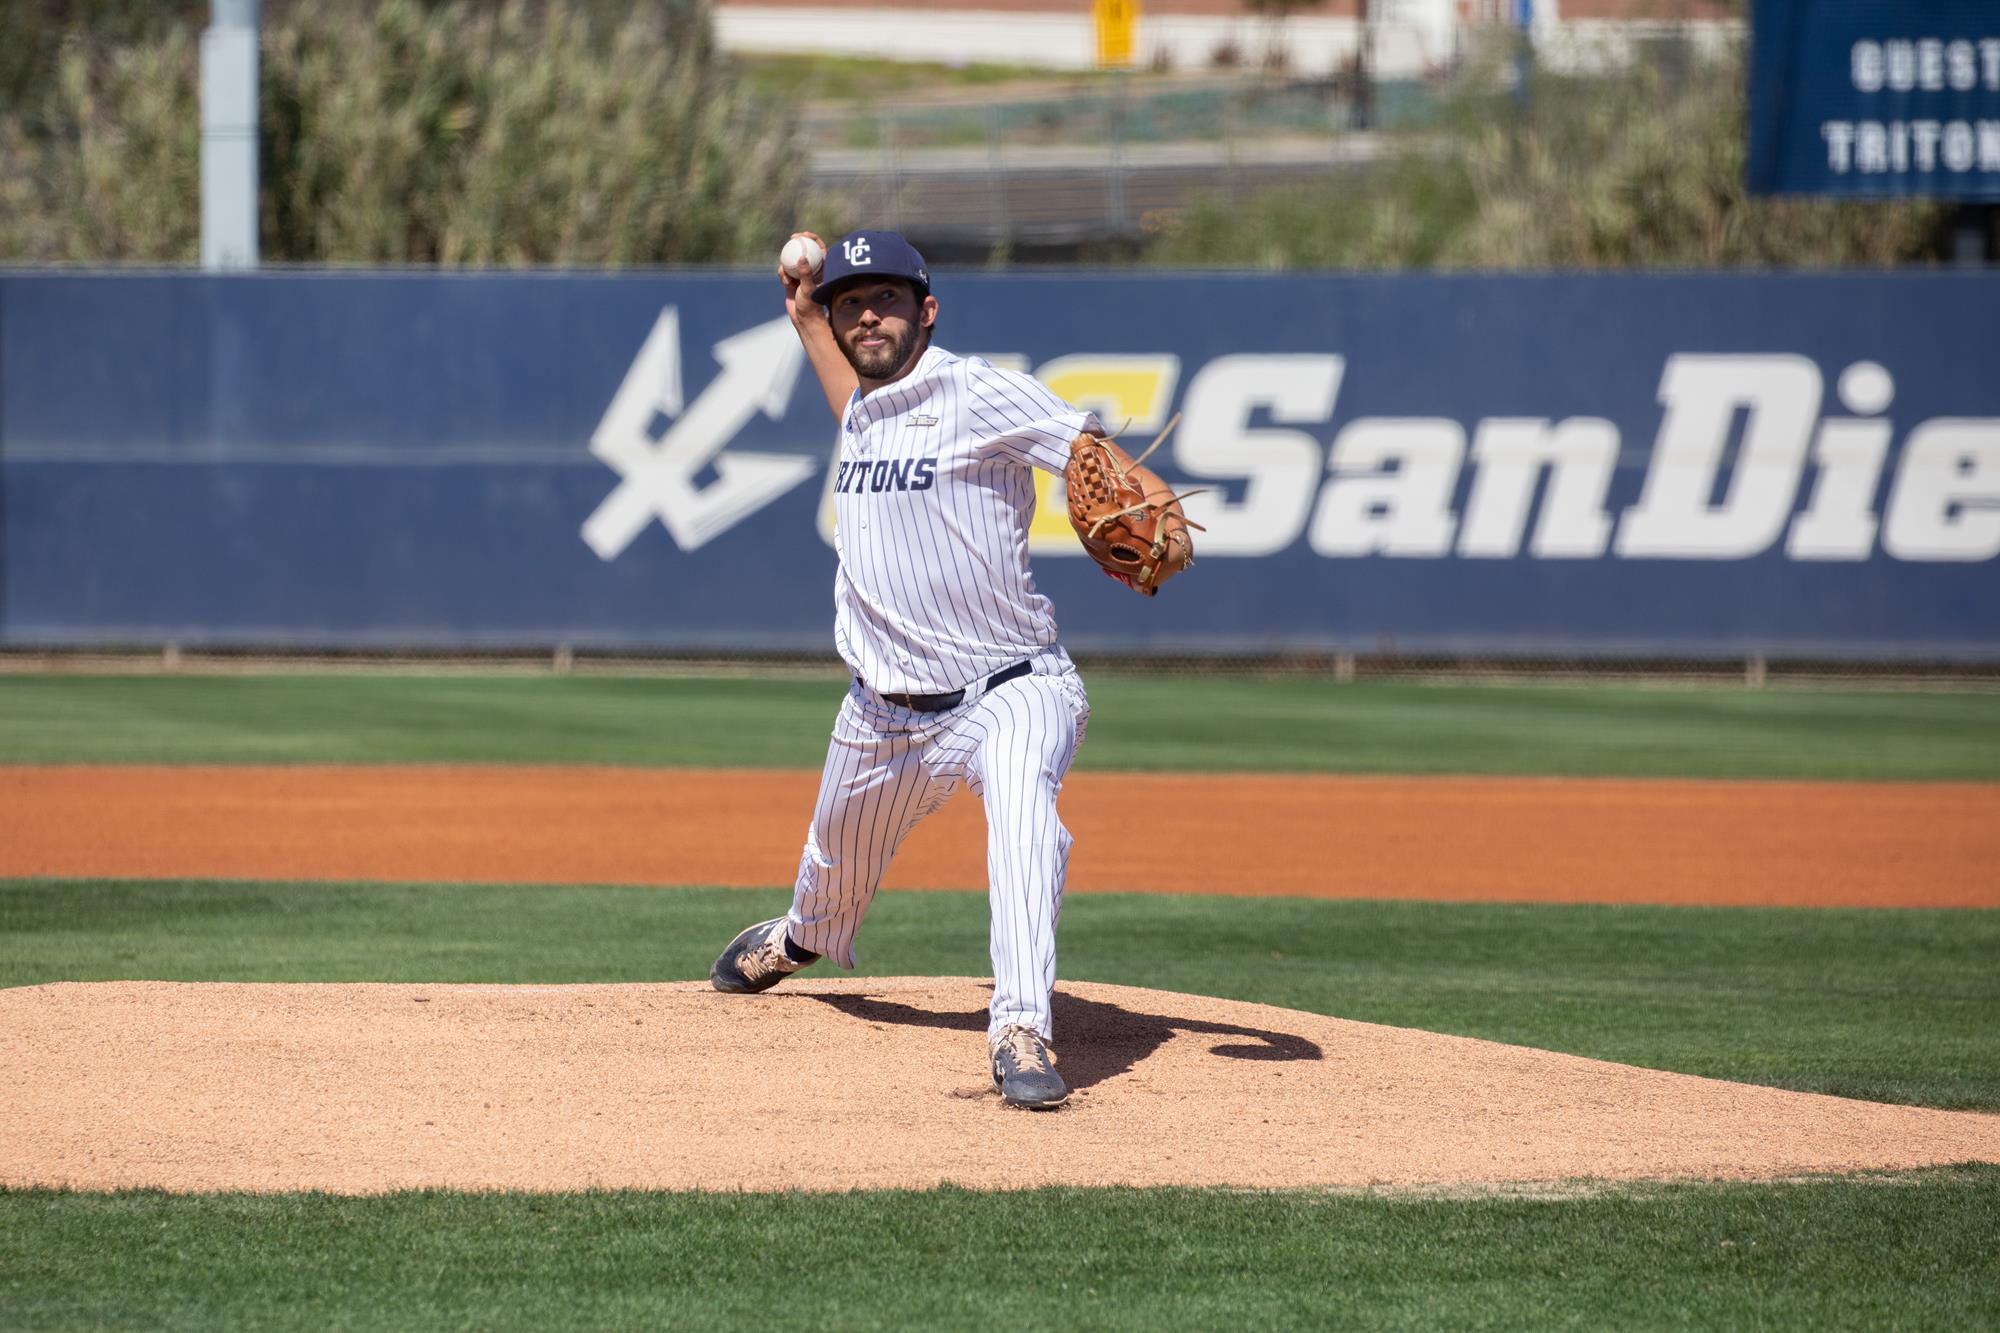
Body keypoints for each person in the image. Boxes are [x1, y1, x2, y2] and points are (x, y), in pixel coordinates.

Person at [708, 229, 1177, 1110]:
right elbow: (848, 388)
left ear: (926, 310)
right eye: (851, 303)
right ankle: (803, 935)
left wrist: (1133, 492)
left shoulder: (978, 390)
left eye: (885, 298)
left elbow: (1086, 450)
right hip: (883, 713)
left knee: (1024, 816)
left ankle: (1020, 1028)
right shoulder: (863, 408)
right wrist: (804, 315)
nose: (867, 316)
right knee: (834, 863)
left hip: (1011, 687)